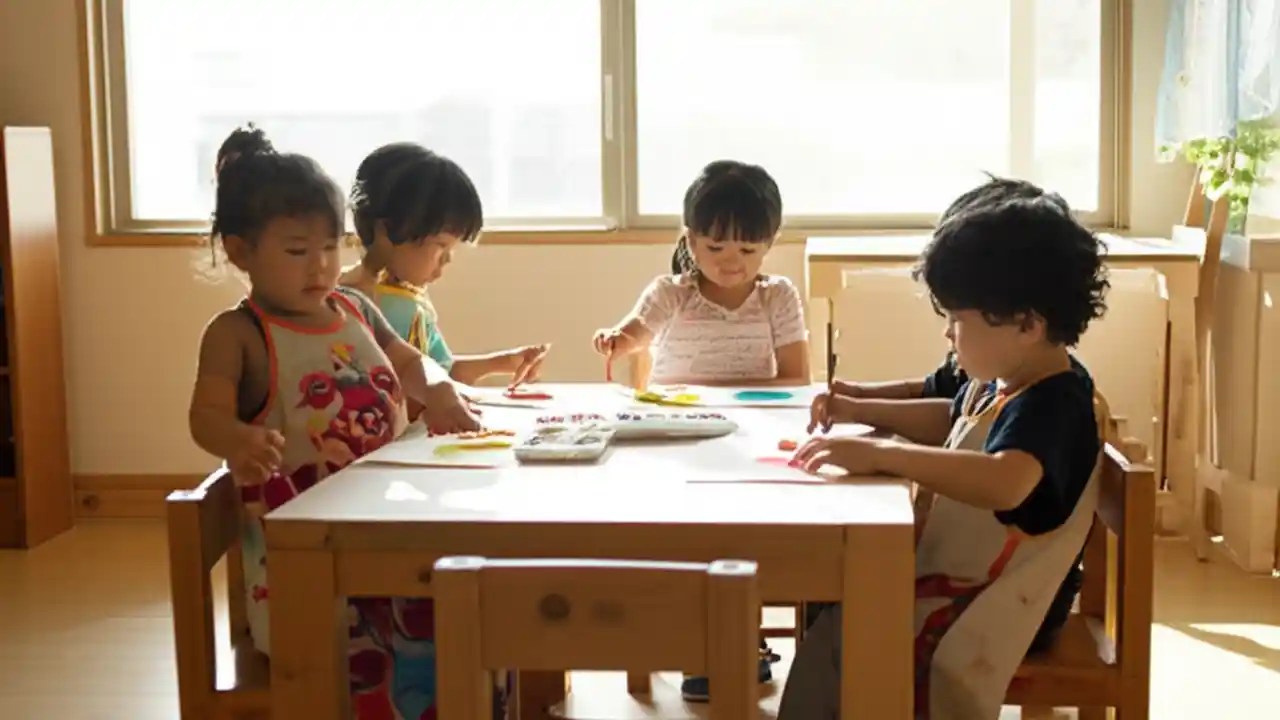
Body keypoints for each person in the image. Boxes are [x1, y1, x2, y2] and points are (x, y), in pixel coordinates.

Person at [187, 126, 492, 719]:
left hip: (386, 524)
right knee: (394, 647)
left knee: (473, 604)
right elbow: (204, 417)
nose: (320, 266)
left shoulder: (355, 306)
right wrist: (239, 440)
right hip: (307, 564)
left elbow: (413, 364)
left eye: (329, 247)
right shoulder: (238, 335)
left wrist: (442, 390)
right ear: (242, 251)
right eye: (298, 251)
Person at [779, 190, 1110, 720]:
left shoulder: (1055, 401)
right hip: (966, 581)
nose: (948, 333)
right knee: (837, 602)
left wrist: (889, 457)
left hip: (1002, 604)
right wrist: (859, 409)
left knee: (854, 615)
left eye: (958, 318)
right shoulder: (1005, 379)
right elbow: (949, 418)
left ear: (1028, 324)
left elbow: (1007, 480)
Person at [346, 142, 549, 388]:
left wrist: (504, 362)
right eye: (441, 245)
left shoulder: (411, 299)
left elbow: (441, 371)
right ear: (386, 230)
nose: (448, 258)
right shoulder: (344, 303)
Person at [592, 160, 810, 390]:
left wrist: (725, 393)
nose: (731, 261)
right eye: (715, 248)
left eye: (747, 250)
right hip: (677, 416)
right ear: (692, 241)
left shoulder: (777, 297)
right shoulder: (669, 294)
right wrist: (612, 340)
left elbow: (797, 379)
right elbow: (632, 336)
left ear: (769, 244)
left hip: (751, 416)